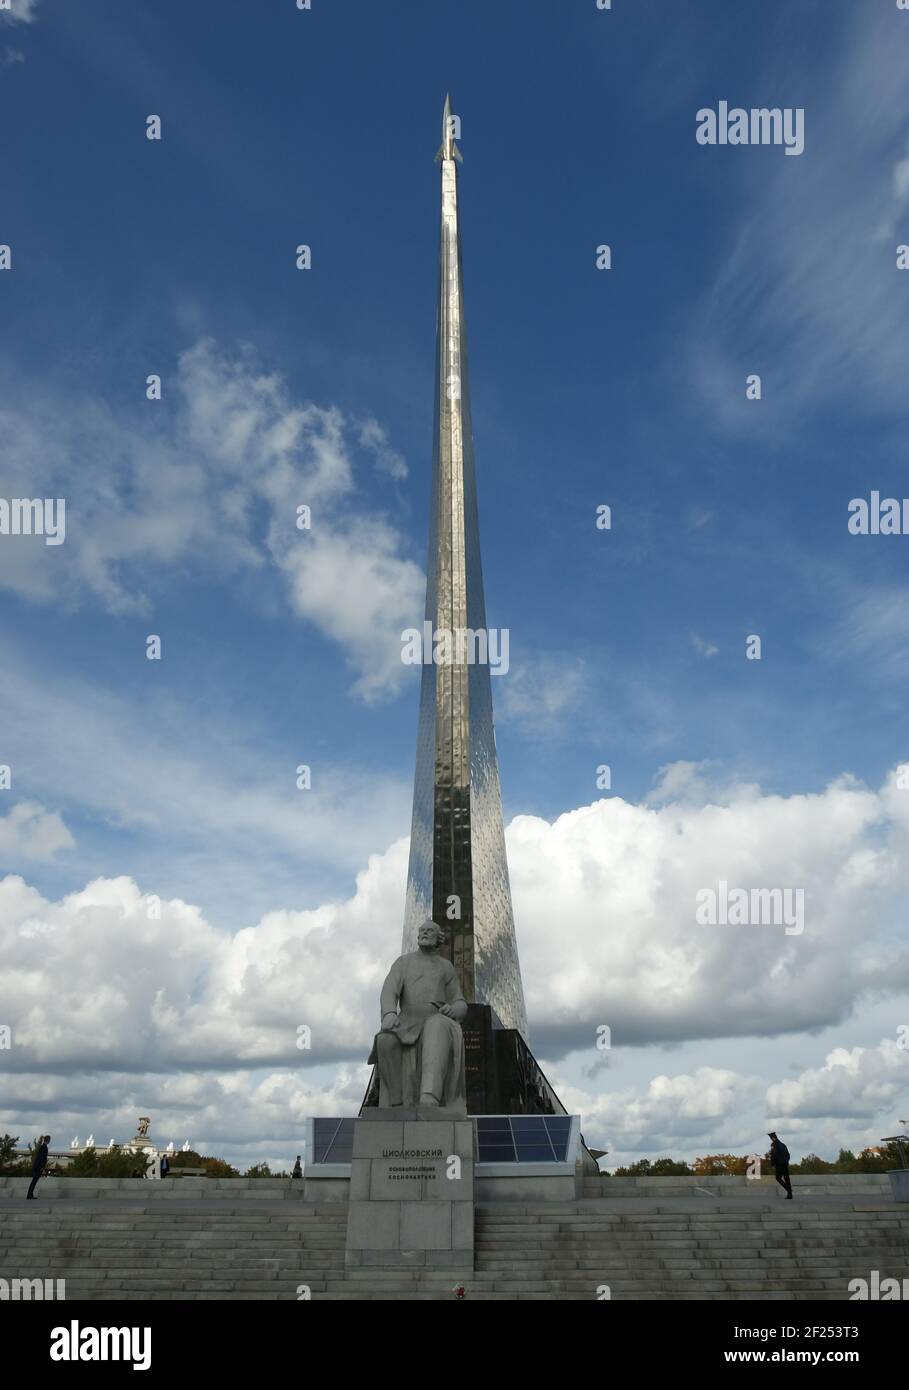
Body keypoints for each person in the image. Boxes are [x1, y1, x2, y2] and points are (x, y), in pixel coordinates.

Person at [367, 919, 467, 1110]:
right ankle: (397, 1100)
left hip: (436, 1019)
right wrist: (389, 1013)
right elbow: (389, 990)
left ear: (438, 938)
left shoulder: (446, 967)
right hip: (407, 1022)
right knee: (385, 1039)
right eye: (422, 931)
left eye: (429, 931)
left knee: (436, 1027)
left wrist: (453, 1010)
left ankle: (429, 1096)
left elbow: (460, 1002)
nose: (424, 933)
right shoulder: (403, 962)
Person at [768, 1131, 792, 1198]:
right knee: (786, 1178)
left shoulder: (774, 1145)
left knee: (778, 1178)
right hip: (785, 1164)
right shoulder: (783, 1145)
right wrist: (786, 1162)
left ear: (772, 1138)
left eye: (770, 1138)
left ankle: (789, 1190)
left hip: (779, 1164)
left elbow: (773, 1155)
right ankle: (790, 1195)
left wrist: (772, 1164)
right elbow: (788, 1155)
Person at [26, 1135, 49, 1200]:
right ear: (48, 1140)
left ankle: (30, 1194)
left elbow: (38, 1157)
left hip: (36, 1166)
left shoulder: (42, 1146)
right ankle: (29, 1195)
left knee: (34, 1181)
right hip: (39, 1167)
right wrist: (42, 1167)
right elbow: (42, 1158)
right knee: (34, 1181)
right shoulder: (44, 1147)